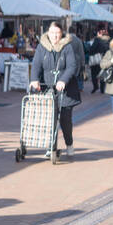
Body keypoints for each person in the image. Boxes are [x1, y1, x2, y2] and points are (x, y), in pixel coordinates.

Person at [29, 20, 82, 158]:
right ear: (48, 33)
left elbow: (72, 66)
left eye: (57, 33)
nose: (55, 36)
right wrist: (34, 79)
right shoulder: (42, 47)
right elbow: (36, 65)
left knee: (65, 120)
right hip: (48, 88)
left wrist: (63, 80)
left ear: (61, 33)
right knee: (49, 119)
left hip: (65, 90)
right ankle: (50, 147)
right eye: (52, 33)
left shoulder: (67, 46)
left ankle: (69, 143)